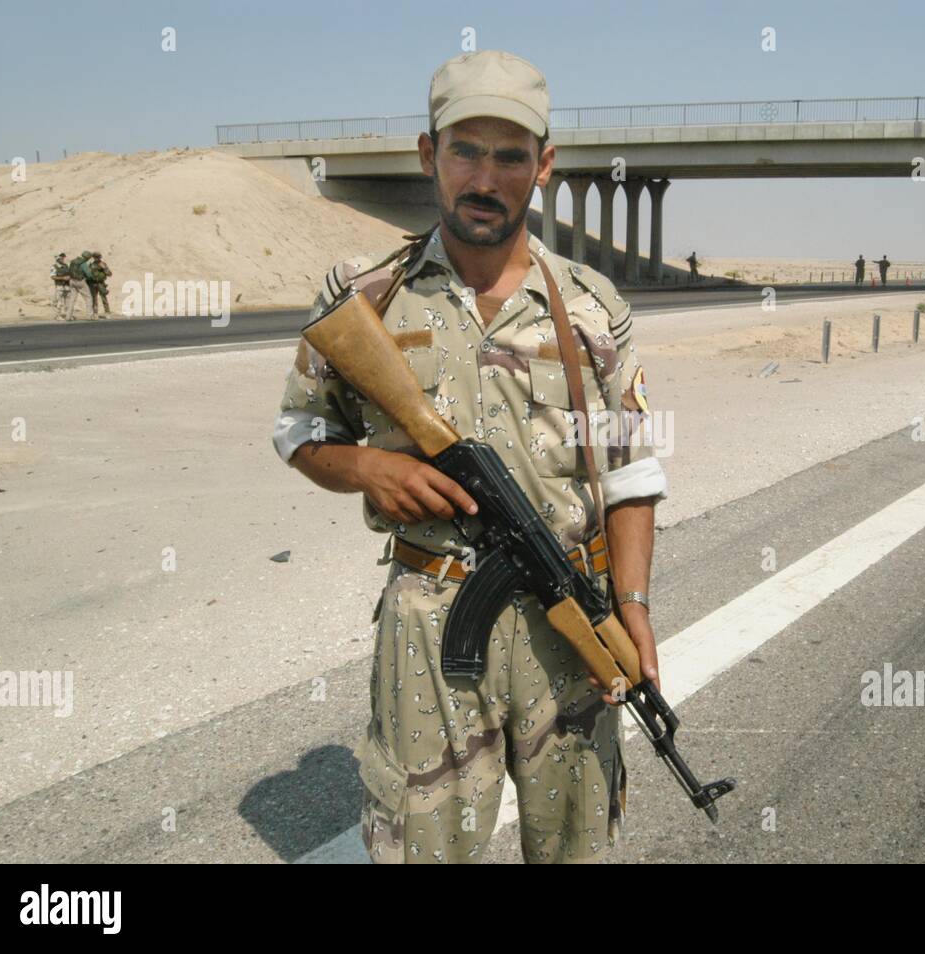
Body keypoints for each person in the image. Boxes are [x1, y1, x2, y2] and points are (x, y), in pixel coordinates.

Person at [273, 50, 667, 864]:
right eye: (465, 151)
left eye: (511, 156)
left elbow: (631, 472)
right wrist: (367, 469)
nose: (485, 177)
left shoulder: (593, 309)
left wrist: (632, 604)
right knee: (422, 850)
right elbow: (299, 433)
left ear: (545, 167)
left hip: (572, 617)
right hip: (430, 621)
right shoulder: (366, 296)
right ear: (429, 156)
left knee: (576, 847)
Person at [63, 250, 93, 321]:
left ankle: (68, 316)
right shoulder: (83, 263)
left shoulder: (73, 261)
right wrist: (89, 278)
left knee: (72, 299)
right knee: (88, 298)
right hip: (80, 281)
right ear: (87, 258)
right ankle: (89, 316)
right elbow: (89, 274)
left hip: (72, 281)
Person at [86, 251, 112, 317]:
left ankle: (107, 312)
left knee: (103, 298)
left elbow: (109, 274)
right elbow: (88, 274)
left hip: (100, 283)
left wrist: (104, 268)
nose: (96, 258)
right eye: (95, 257)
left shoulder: (103, 264)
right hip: (93, 283)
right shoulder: (91, 264)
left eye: (97, 257)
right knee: (94, 298)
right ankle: (95, 312)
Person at [50, 253, 71, 317]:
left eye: (63, 258)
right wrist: (63, 278)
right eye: (61, 258)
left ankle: (68, 315)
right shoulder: (54, 267)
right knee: (59, 302)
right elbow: (52, 277)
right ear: (57, 259)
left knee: (68, 302)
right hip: (60, 286)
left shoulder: (66, 265)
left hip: (67, 286)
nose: (63, 259)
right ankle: (58, 315)